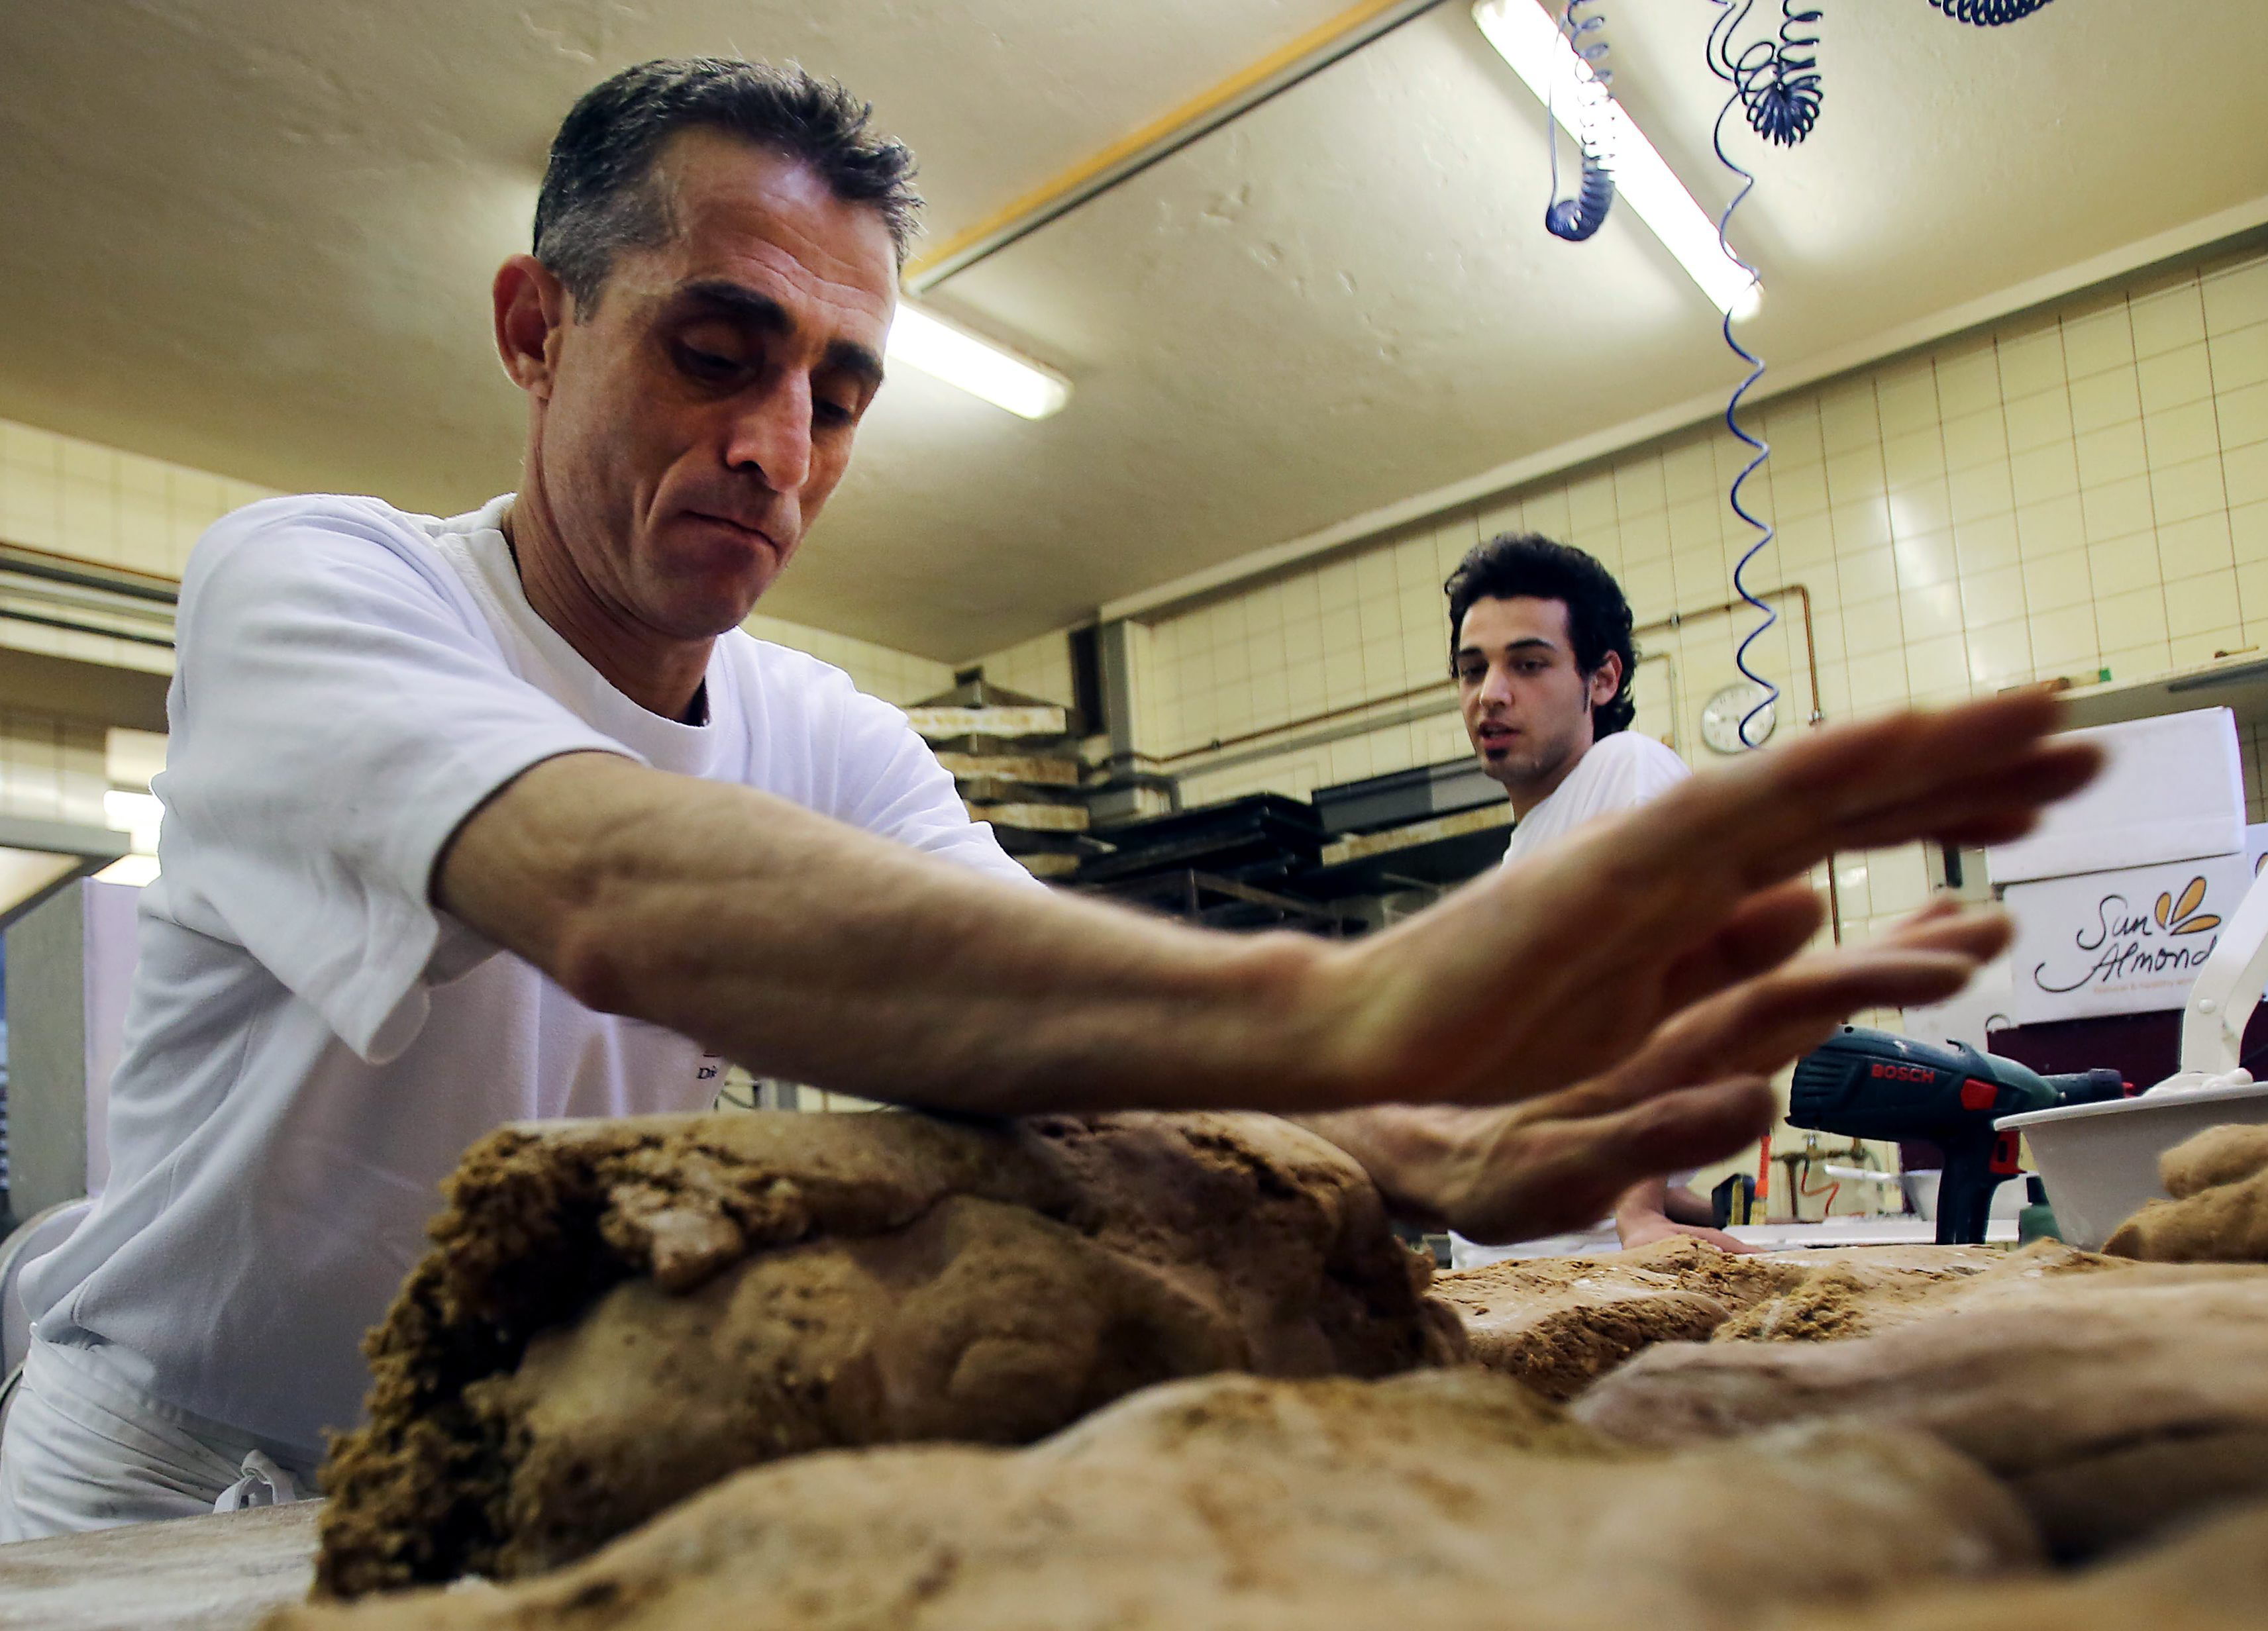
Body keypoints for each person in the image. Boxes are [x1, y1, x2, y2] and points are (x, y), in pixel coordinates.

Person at [0, 60, 2087, 1536]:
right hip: (160, 1455)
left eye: (835, 389)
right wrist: (1344, 1014)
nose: (776, 445)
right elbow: (613, 882)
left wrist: (1433, 1148)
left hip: (498, 1444)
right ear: (538, 328)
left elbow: (1073, 1042)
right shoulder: (319, 580)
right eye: (715, 350)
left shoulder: (820, 725)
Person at [1441, 534, 1755, 1263]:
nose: (1490, 693)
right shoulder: (1523, 857)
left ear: (1602, 679)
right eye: (1472, 669)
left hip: (1590, 1275)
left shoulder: (1624, 769)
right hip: (1516, 1273)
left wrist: (1640, 1212)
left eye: (1527, 664)